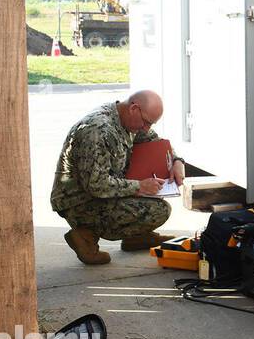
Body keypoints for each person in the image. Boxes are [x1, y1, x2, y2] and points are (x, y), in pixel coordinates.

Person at [51, 90, 186, 265]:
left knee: (157, 205)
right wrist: (139, 187)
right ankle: (85, 235)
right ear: (134, 108)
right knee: (158, 210)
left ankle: (135, 237)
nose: (147, 128)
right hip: (79, 201)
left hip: (103, 190)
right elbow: (96, 185)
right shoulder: (98, 130)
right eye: (146, 122)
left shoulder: (128, 120)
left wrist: (176, 161)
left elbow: (155, 142)